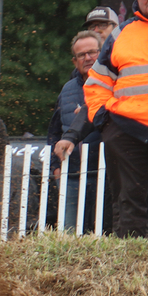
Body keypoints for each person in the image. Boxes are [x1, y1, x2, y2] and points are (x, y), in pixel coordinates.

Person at [81, 0, 148, 237]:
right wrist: (104, 120)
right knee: (128, 196)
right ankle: (130, 257)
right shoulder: (120, 34)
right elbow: (97, 81)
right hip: (126, 126)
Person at [48, 31, 107, 233]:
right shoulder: (67, 90)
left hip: (105, 174)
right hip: (71, 175)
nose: (88, 58)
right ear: (75, 61)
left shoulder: (113, 85)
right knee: (69, 234)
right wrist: (55, 166)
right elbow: (54, 132)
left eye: (92, 52)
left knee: (104, 232)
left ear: (102, 53)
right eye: (82, 55)